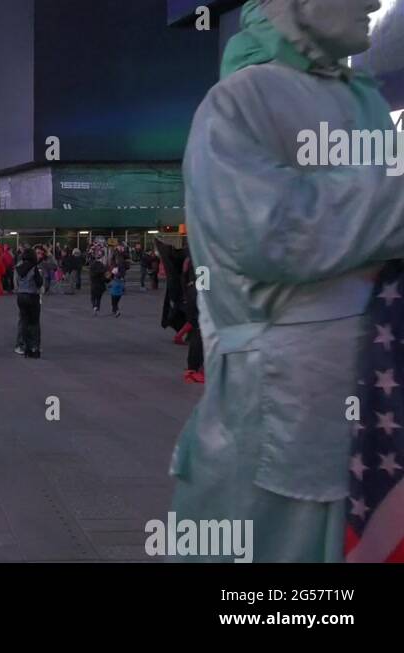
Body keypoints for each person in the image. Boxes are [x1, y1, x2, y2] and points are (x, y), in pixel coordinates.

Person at [171, 0, 400, 562]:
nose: (372, 2)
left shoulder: (365, 99)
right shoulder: (238, 101)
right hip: (282, 407)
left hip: (375, 403)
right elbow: (267, 236)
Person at [14, 248, 43, 359]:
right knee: (34, 323)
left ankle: (25, 347)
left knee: (24, 321)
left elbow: (16, 283)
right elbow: (39, 283)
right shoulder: (34, 268)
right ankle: (35, 347)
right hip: (32, 296)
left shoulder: (18, 268)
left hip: (21, 296)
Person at [181, 258, 204, 384]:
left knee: (198, 334)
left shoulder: (193, 258)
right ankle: (193, 370)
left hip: (193, 295)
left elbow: (183, 277)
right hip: (198, 298)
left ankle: (194, 369)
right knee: (199, 334)